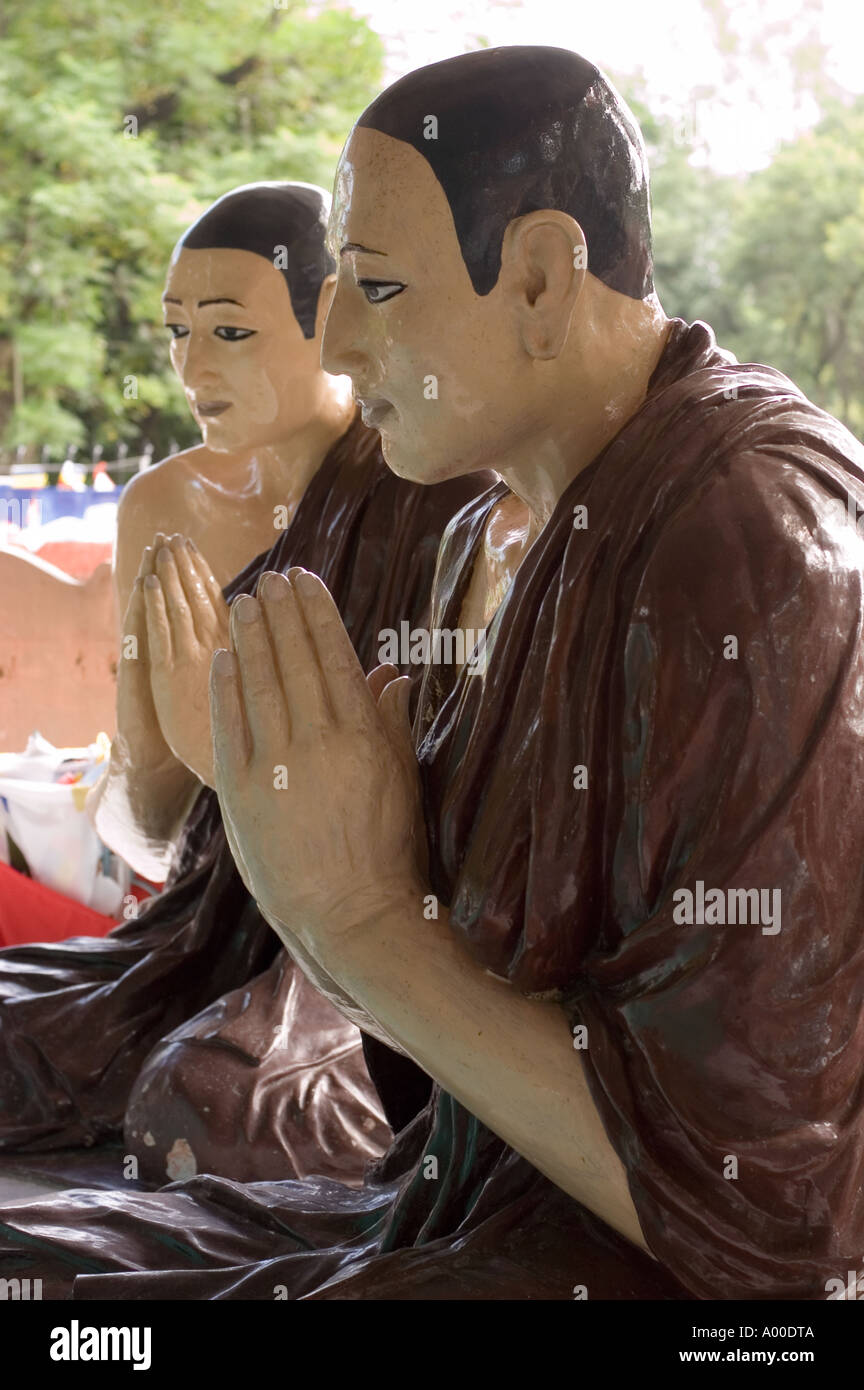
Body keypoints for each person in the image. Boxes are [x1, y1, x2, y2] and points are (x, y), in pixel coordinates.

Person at [2, 43, 863, 1302]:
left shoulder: (754, 534)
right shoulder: (493, 524)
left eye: (378, 287)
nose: (338, 344)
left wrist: (354, 919)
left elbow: (775, 1219)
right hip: (460, 1189)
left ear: (537, 279)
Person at [0, 181, 484, 1189]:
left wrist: (248, 759)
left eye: (230, 329)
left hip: (352, 942)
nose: (191, 366)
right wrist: (165, 729)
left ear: (331, 324)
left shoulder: (438, 496)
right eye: (177, 331)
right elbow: (141, 836)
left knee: (219, 1106)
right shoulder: (162, 506)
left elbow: (450, 833)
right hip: (195, 932)